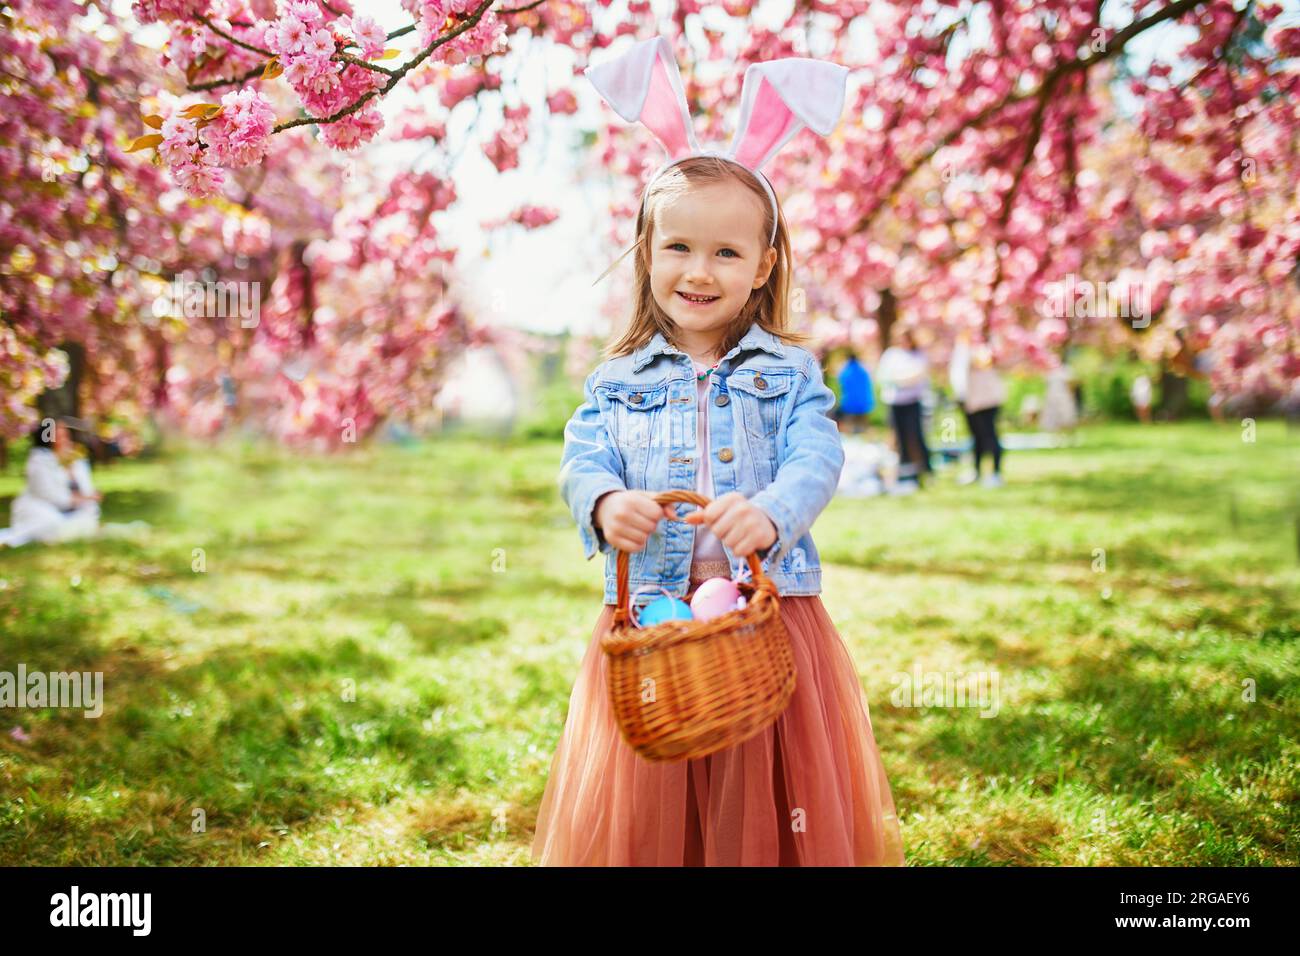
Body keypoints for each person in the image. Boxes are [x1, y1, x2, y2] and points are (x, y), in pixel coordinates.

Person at [533, 37, 903, 867]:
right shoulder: (614, 379)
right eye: (679, 247)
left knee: (771, 782)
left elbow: (817, 458)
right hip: (650, 614)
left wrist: (772, 513)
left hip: (766, 605)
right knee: (654, 792)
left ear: (765, 263)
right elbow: (582, 459)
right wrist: (600, 503)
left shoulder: (790, 371)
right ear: (646, 252)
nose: (699, 270)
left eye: (727, 252)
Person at [0, 419, 103, 548]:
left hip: (67, 511)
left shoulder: (76, 461)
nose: (64, 440)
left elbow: (86, 489)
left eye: (65, 435)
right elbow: (51, 496)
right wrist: (83, 498)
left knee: (87, 521)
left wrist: (71, 469)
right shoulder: (38, 462)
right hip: (40, 509)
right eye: (59, 436)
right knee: (54, 526)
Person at [877, 324, 932, 487]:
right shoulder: (891, 355)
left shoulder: (918, 355)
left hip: (913, 401)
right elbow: (884, 376)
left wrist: (901, 380)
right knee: (899, 438)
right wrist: (901, 380)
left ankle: (925, 470)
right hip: (895, 402)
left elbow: (918, 376)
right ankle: (906, 472)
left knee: (916, 436)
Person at [835, 352, 874, 434]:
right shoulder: (863, 369)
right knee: (862, 427)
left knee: (850, 427)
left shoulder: (846, 371)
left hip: (849, 404)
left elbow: (840, 382)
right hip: (864, 403)